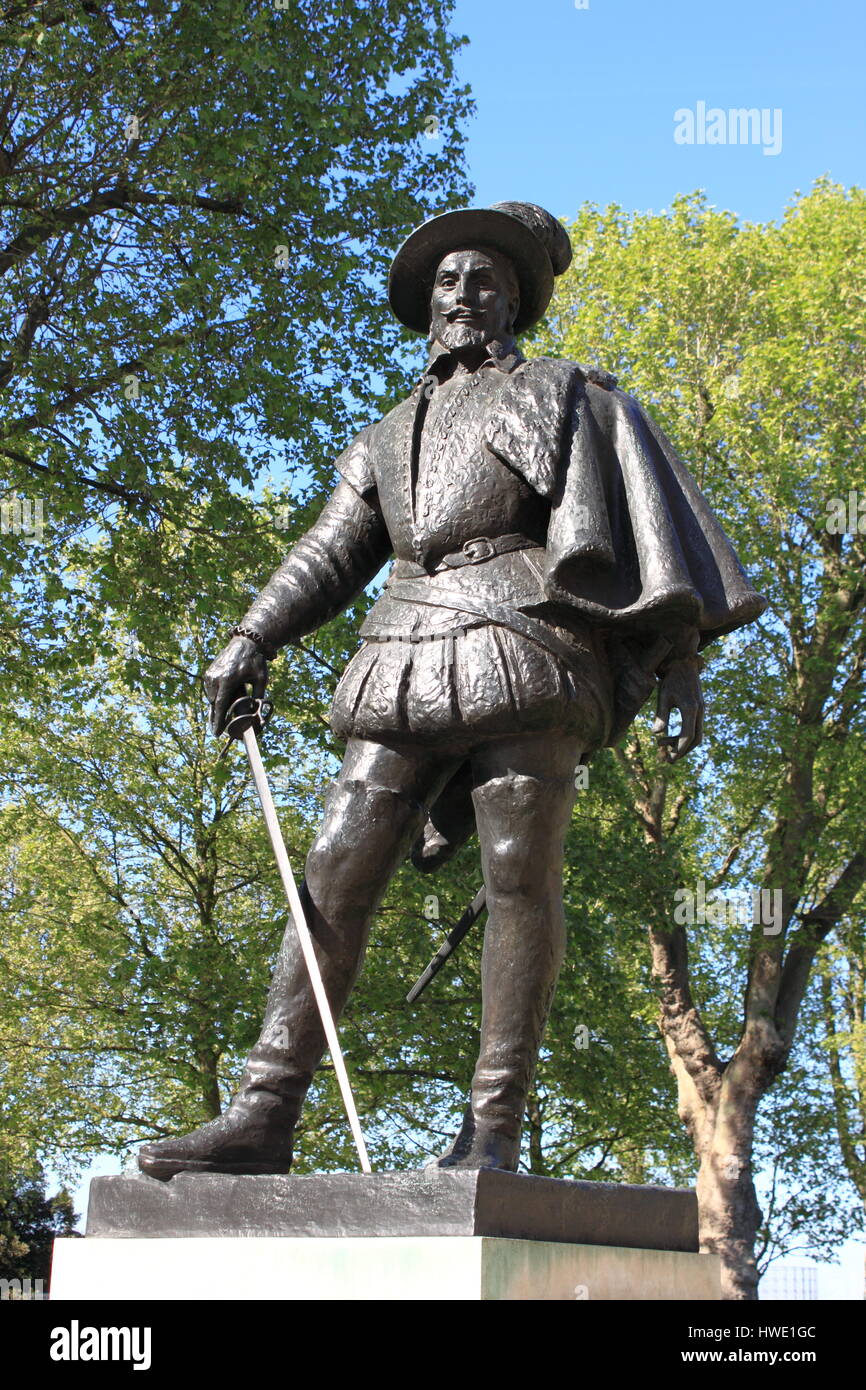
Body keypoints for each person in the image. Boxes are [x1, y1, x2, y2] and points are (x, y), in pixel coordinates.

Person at [138, 201, 765, 1179]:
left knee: (518, 875)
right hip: (401, 644)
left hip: (526, 645)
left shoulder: (560, 393)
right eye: (446, 281)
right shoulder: (389, 433)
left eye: (482, 280)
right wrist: (249, 636)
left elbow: (643, 534)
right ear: (425, 304)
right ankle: (263, 1110)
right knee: (335, 868)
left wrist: (678, 656)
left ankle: (490, 1129)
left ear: (512, 298)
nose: (462, 295)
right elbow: (332, 551)